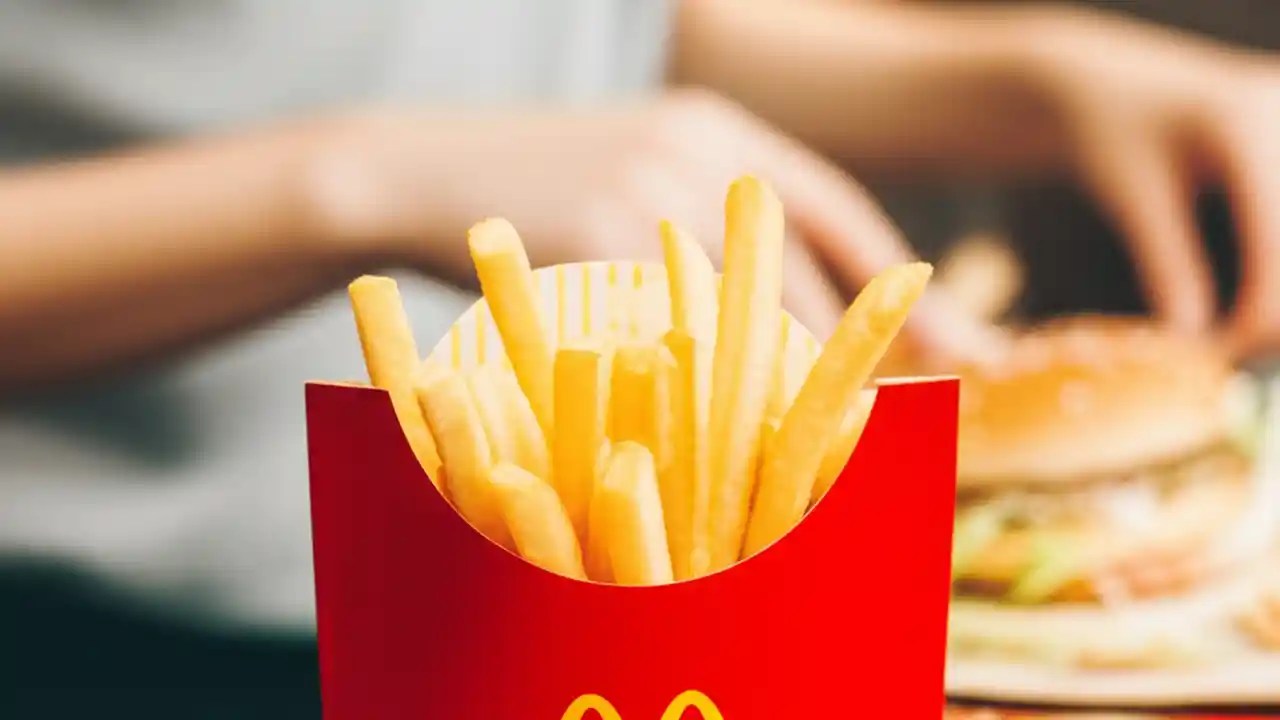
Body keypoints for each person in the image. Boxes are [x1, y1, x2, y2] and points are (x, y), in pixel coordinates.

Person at [2, 0, 1278, 711]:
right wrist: (361, 177)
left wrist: (1030, 77)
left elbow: (567, 27)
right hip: (118, 638)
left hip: (625, 617)